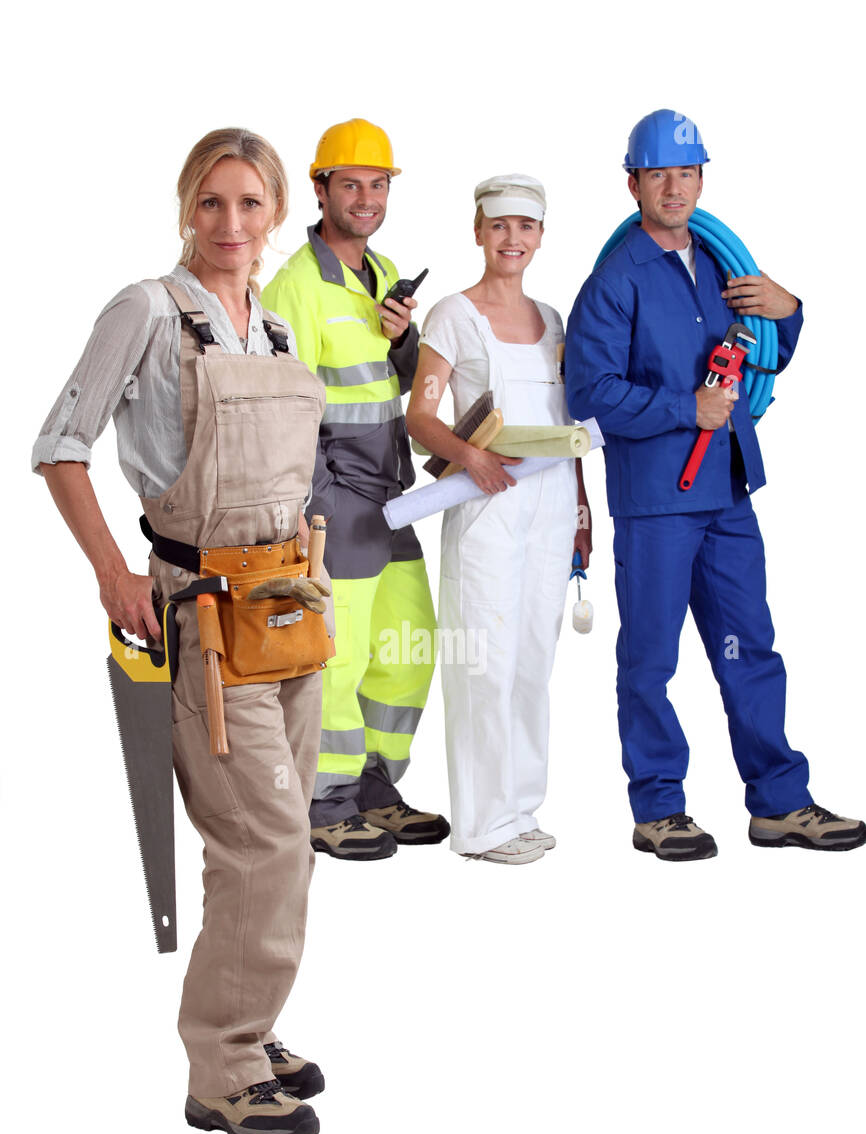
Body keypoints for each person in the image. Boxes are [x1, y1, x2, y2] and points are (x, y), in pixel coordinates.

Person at [33, 128, 331, 1134]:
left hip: (289, 605)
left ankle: (250, 1020)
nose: (231, 225)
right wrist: (114, 571)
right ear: (184, 210)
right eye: (212, 203)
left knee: (277, 840)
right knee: (265, 838)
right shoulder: (146, 312)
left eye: (250, 205)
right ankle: (223, 1065)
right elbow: (59, 446)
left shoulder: (278, 334)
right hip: (198, 608)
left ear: (275, 214)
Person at [566, 109, 864, 859]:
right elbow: (588, 393)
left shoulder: (723, 266)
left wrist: (789, 311)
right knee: (652, 661)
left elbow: (759, 361)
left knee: (749, 647)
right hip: (659, 501)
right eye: (659, 173)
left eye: (687, 172)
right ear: (633, 182)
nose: (674, 186)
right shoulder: (614, 280)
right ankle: (659, 809)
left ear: (702, 178)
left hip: (726, 491)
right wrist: (681, 407)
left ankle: (780, 803)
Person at [261, 118, 449, 862]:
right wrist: (317, 510)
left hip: (394, 496)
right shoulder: (294, 287)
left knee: (410, 645)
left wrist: (402, 340)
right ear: (320, 189)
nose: (366, 198)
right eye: (351, 184)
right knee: (339, 658)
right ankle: (325, 801)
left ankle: (375, 787)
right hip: (338, 503)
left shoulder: (382, 271)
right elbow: (284, 412)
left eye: (378, 185)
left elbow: (392, 384)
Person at [406, 175, 592, 864]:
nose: (513, 239)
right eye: (499, 226)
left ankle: (521, 809)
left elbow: (571, 428)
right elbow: (421, 416)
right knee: (484, 661)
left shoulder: (555, 320)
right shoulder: (455, 314)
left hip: (548, 508)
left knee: (532, 664)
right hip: (485, 508)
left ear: (541, 236)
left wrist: (581, 510)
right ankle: (482, 826)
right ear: (478, 232)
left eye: (526, 227)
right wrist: (468, 458)